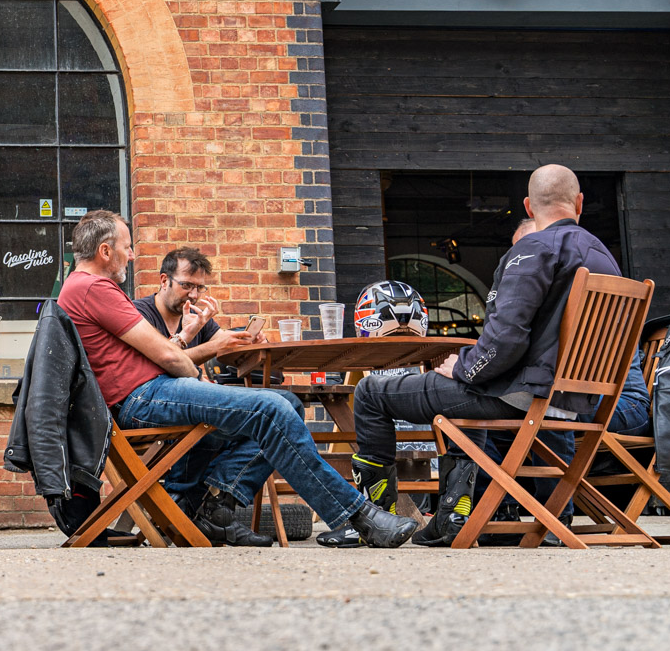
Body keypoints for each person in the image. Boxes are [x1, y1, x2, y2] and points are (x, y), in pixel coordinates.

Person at [58, 211, 416, 549]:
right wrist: (194, 372)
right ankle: (357, 516)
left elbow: (163, 355)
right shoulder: (94, 288)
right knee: (270, 408)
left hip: (147, 394)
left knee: (283, 404)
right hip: (143, 397)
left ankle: (216, 505)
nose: (132, 255)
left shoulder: (84, 288)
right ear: (105, 251)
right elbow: (168, 356)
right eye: (126, 247)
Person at [350, 164, 622, 523]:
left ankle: (375, 520)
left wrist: (462, 367)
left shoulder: (533, 250)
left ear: (528, 206)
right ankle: (464, 520)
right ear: (580, 203)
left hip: (523, 397)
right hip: (574, 400)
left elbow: (505, 339)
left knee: (371, 391)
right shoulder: (605, 258)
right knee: (464, 400)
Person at [131, 248, 306, 544]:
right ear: (164, 281)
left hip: (198, 417)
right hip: (157, 417)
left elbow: (225, 348)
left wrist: (247, 342)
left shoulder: (201, 319)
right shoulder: (140, 314)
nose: (194, 295)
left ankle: (219, 508)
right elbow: (159, 366)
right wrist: (189, 335)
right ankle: (184, 502)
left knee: (284, 409)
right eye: (187, 285)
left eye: (200, 287)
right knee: (269, 414)